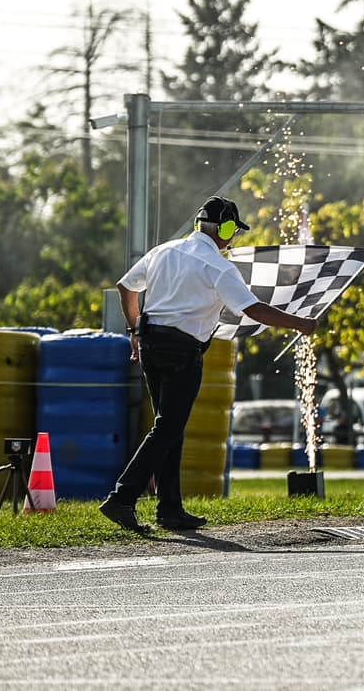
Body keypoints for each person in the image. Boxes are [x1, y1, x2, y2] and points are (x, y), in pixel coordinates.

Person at [100, 196, 318, 534]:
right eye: (234, 231)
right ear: (225, 228)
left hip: (151, 343)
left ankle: (169, 508)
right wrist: (300, 323)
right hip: (182, 349)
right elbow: (253, 309)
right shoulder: (218, 266)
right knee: (168, 427)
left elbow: (126, 287)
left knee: (169, 426)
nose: (234, 239)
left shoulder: (164, 250)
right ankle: (122, 497)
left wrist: (133, 331)